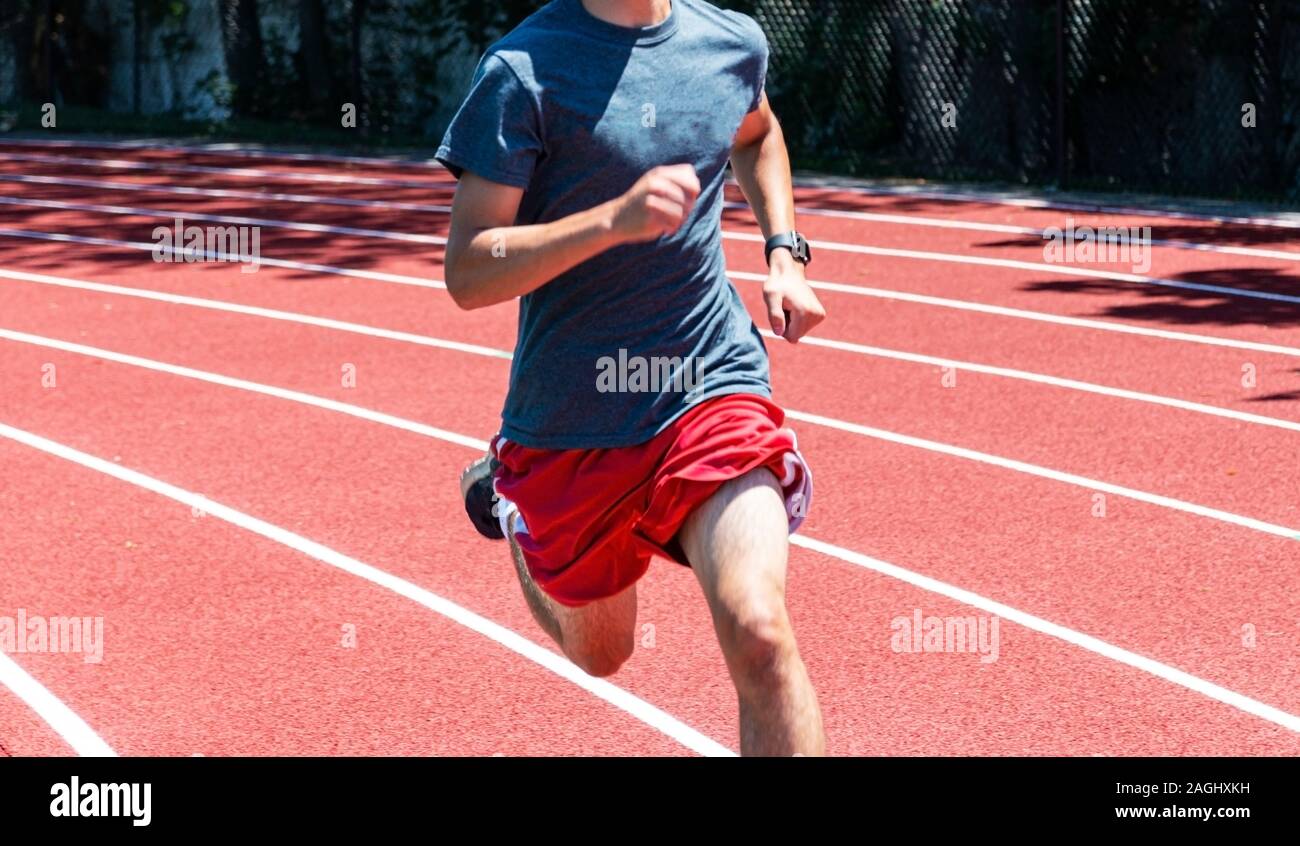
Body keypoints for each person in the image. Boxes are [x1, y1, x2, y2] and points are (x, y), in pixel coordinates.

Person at [437, 0, 826, 756]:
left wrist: (784, 252)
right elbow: (466, 268)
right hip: (574, 418)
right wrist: (609, 222)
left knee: (759, 630)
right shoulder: (522, 72)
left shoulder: (730, 42)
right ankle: (513, 510)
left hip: (710, 381)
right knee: (603, 653)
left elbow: (759, 132)